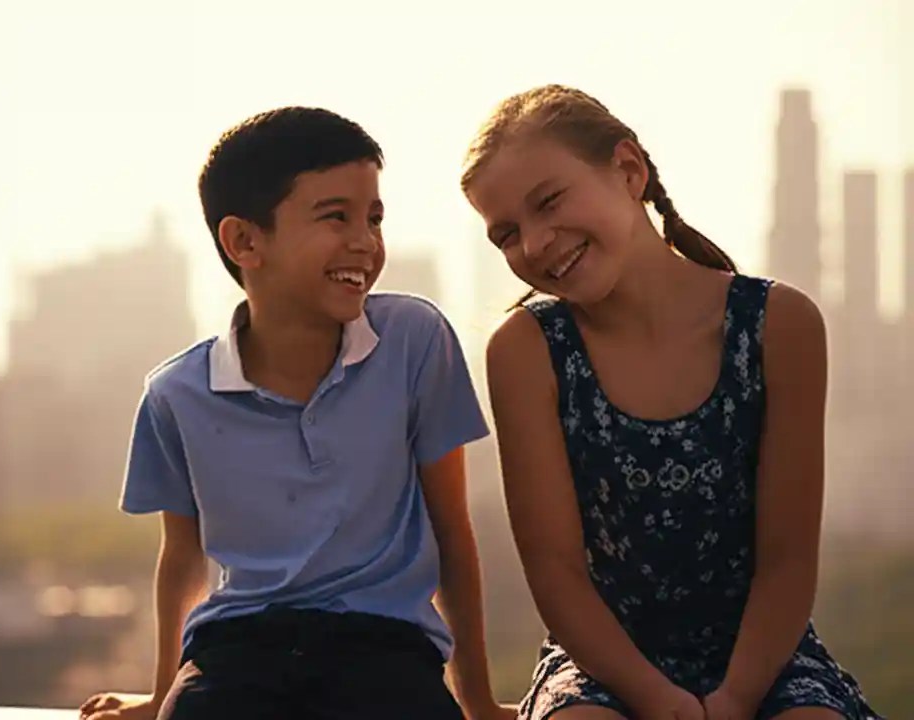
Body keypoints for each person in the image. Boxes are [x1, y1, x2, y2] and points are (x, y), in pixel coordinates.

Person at [461, 83, 884, 720]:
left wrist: (737, 697)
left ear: (629, 171)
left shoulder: (780, 323)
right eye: (507, 235)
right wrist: (659, 701)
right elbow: (557, 574)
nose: (537, 242)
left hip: (764, 657)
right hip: (600, 663)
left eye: (549, 202)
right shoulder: (526, 351)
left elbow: (788, 560)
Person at [79, 106, 514, 720]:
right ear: (244, 241)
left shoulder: (415, 340)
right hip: (236, 653)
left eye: (374, 217)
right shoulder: (175, 394)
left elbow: (451, 529)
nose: (364, 241)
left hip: (386, 649)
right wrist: (160, 697)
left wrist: (476, 700)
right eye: (336, 217)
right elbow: (181, 560)